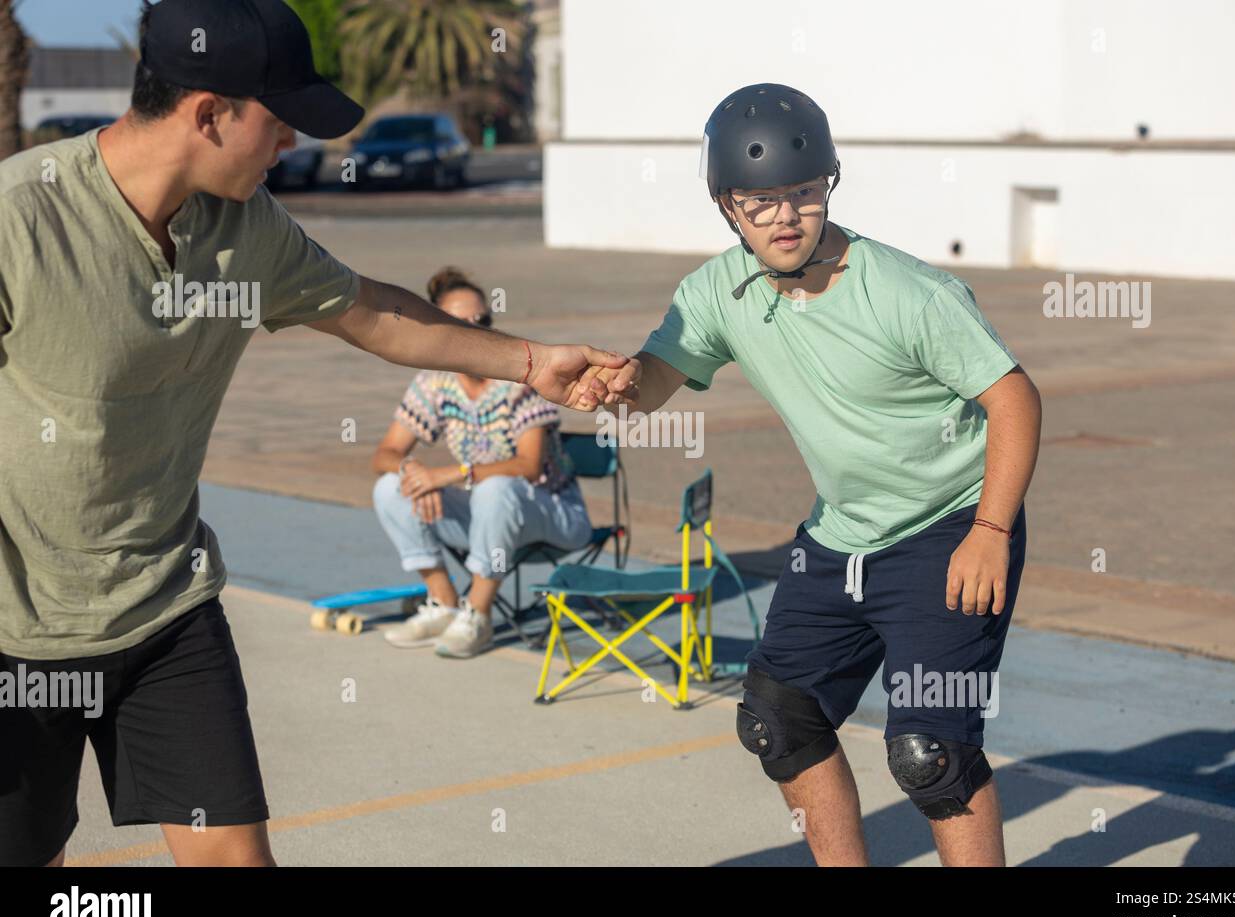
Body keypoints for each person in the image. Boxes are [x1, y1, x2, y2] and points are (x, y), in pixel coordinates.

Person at [0, 0, 626, 868]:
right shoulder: (22, 219)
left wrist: (530, 358)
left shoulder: (242, 228)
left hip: (162, 607)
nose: (293, 143)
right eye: (280, 120)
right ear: (209, 112)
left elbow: (371, 313)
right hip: (16, 630)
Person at [597, 83, 1042, 866]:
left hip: (951, 527)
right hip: (839, 535)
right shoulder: (716, 293)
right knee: (777, 719)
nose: (785, 216)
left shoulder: (910, 292)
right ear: (727, 206)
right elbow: (656, 378)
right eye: (758, 200)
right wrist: (608, 382)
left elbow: (1013, 398)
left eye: (803, 193)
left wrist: (992, 531)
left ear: (827, 184)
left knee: (929, 752)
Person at [371, 267, 592, 657]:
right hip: (490, 515)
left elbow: (528, 466)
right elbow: (386, 454)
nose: (477, 330)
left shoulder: (519, 380)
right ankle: (443, 601)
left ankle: (479, 614)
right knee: (390, 488)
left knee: (496, 487)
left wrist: (448, 475)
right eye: (461, 323)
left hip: (554, 513)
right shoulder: (433, 383)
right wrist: (414, 474)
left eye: (483, 320)